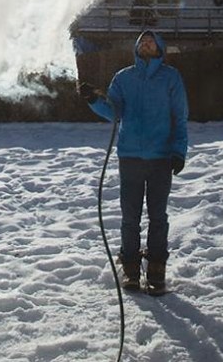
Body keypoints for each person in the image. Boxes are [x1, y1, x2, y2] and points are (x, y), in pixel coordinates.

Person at [78, 28, 188, 294]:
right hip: (129, 157)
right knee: (130, 216)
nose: (147, 44)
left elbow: (180, 116)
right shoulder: (124, 78)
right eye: (143, 41)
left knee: (158, 216)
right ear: (137, 48)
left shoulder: (171, 78)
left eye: (151, 41)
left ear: (159, 48)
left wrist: (178, 151)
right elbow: (114, 112)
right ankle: (130, 270)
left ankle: (156, 271)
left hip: (161, 157)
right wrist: (94, 100)